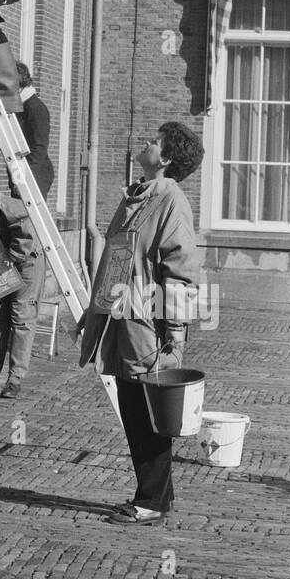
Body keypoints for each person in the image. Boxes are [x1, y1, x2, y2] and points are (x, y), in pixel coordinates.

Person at [78, 123, 204, 525]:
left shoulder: (170, 201)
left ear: (165, 158)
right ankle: (156, 496)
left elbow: (181, 270)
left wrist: (175, 336)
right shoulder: (139, 195)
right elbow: (117, 260)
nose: (144, 144)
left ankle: (151, 501)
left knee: (148, 413)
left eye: (154, 142)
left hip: (147, 324)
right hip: (122, 319)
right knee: (136, 410)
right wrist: (93, 310)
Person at [0, 61, 54, 399]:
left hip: (28, 221)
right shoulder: (21, 110)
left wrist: (21, 190)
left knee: (21, 313)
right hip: (12, 238)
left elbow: (39, 151)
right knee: (6, 312)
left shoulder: (35, 109)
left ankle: (14, 377)